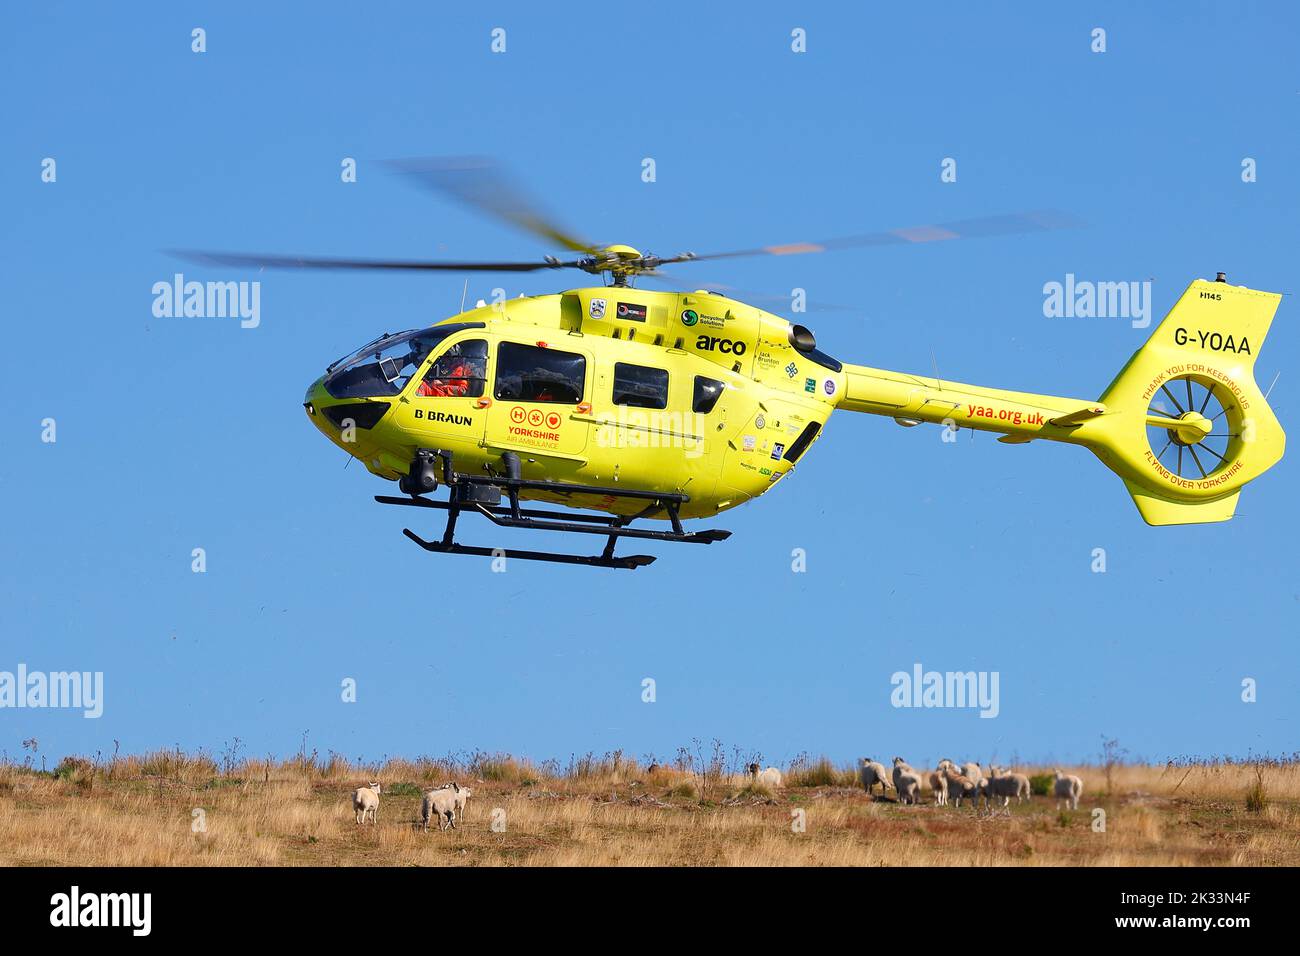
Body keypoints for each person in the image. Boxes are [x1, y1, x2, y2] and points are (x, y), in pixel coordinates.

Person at [418, 349, 482, 397]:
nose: (443, 361)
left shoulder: (461, 369)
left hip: (447, 402)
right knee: (419, 384)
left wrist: (441, 385)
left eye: (445, 357)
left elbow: (462, 391)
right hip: (435, 396)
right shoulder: (446, 369)